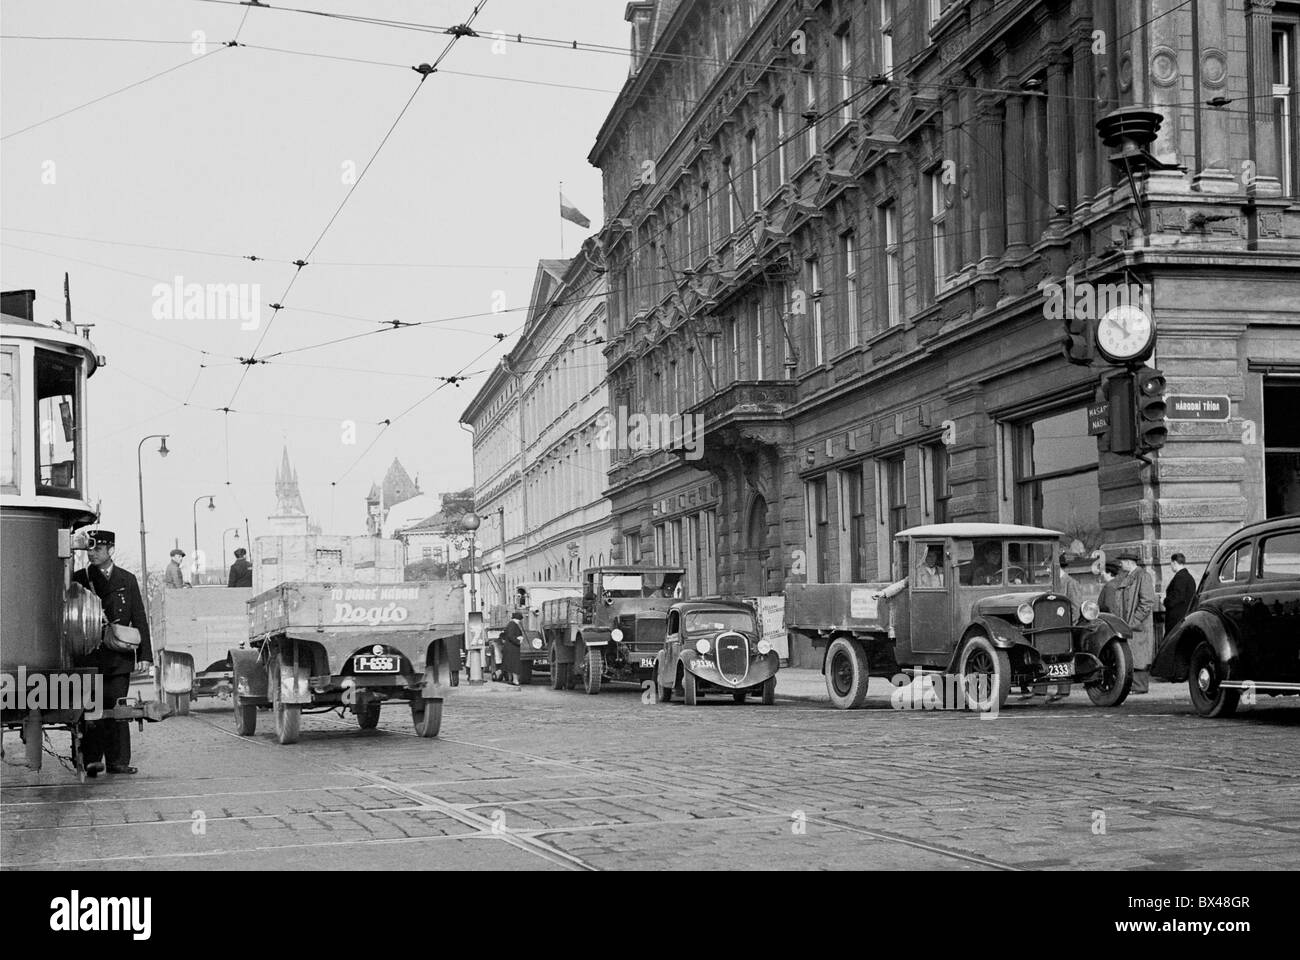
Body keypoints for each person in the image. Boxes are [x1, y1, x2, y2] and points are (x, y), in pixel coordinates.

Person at [73, 529, 153, 776]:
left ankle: (118, 761)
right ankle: (92, 760)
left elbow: (139, 617)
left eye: (97, 549)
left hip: (119, 656)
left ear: (111, 550)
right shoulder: (79, 579)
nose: (92, 554)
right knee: (91, 709)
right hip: (89, 655)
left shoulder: (127, 579)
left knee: (118, 708)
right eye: (90, 549)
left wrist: (146, 656)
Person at [1114, 550, 1156, 694]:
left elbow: (1147, 602)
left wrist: (1133, 621)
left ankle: (1140, 686)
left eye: (1122, 561)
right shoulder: (1131, 576)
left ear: (1128, 562)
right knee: (1134, 655)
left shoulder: (1142, 576)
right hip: (1130, 624)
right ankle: (1135, 686)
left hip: (1137, 625)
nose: (1120, 564)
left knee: (1140, 656)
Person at [1164, 552, 1196, 633]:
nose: (1170, 566)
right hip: (1186, 616)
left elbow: (1177, 597)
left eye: (1170, 563)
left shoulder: (1180, 577)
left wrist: (1165, 600)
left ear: (1174, 562)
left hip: (1177, 619)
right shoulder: (1188, 576)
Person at [499, 610, 524, 686]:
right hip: (512, 648)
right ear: (518, 619)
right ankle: (515, 680)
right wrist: (518, 641)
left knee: (510, 664)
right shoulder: (513, 625)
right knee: (515, 665)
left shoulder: (510, 624)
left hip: (509, 647)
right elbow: (510, 636)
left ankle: (511, 679)